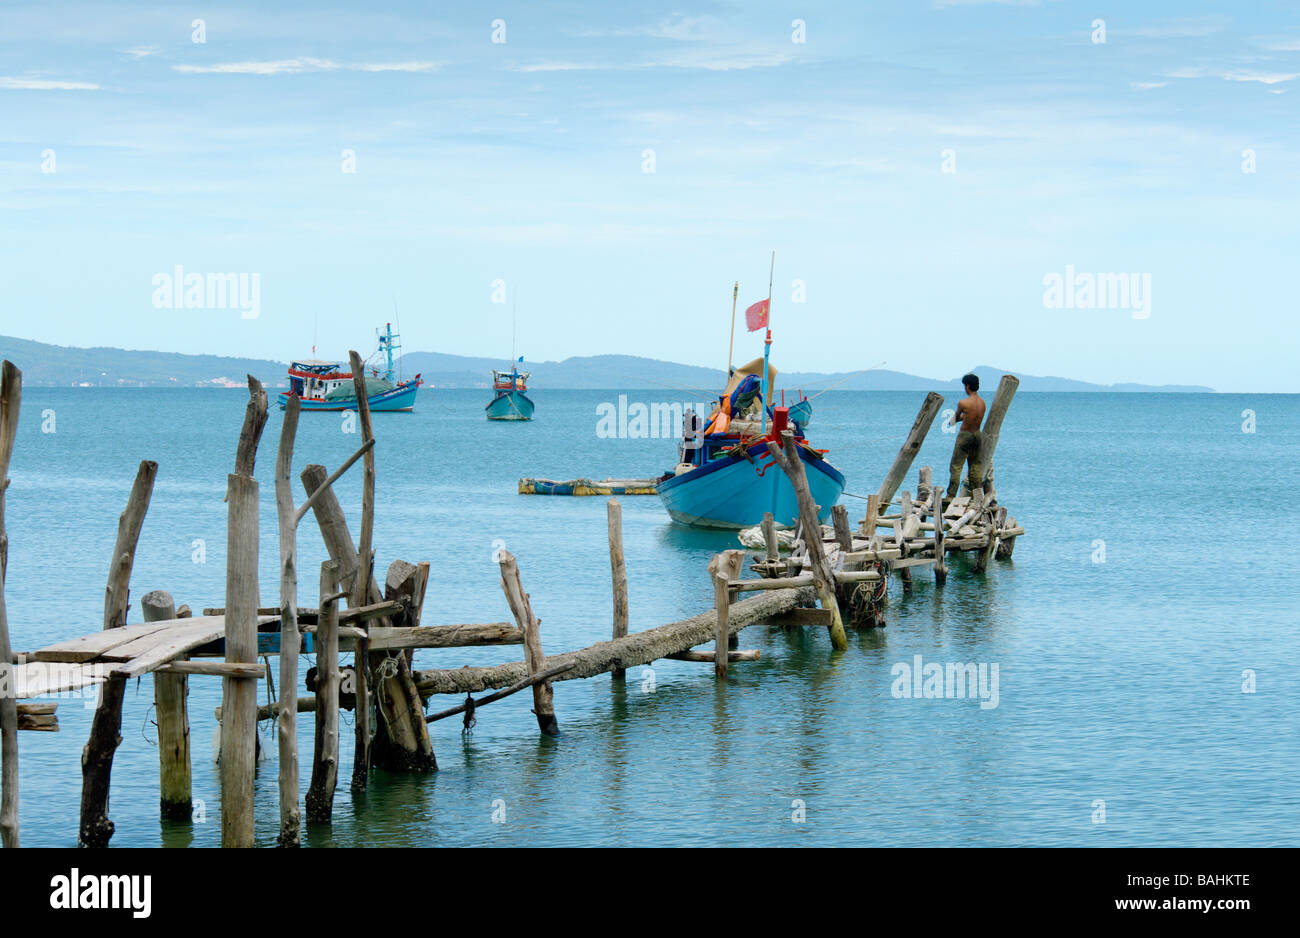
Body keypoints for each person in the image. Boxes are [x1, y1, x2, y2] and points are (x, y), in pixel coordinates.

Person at [946, 373, 987, 504]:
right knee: (975, 466)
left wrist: (952, 421)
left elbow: (955, 418)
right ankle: (978, 497)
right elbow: (973, 417)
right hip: (977, 435)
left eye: (965, 386)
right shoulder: (982, 403)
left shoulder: (963, 402)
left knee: (956, 466)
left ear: (967, 386)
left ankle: (950, 496)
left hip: (965, 435)